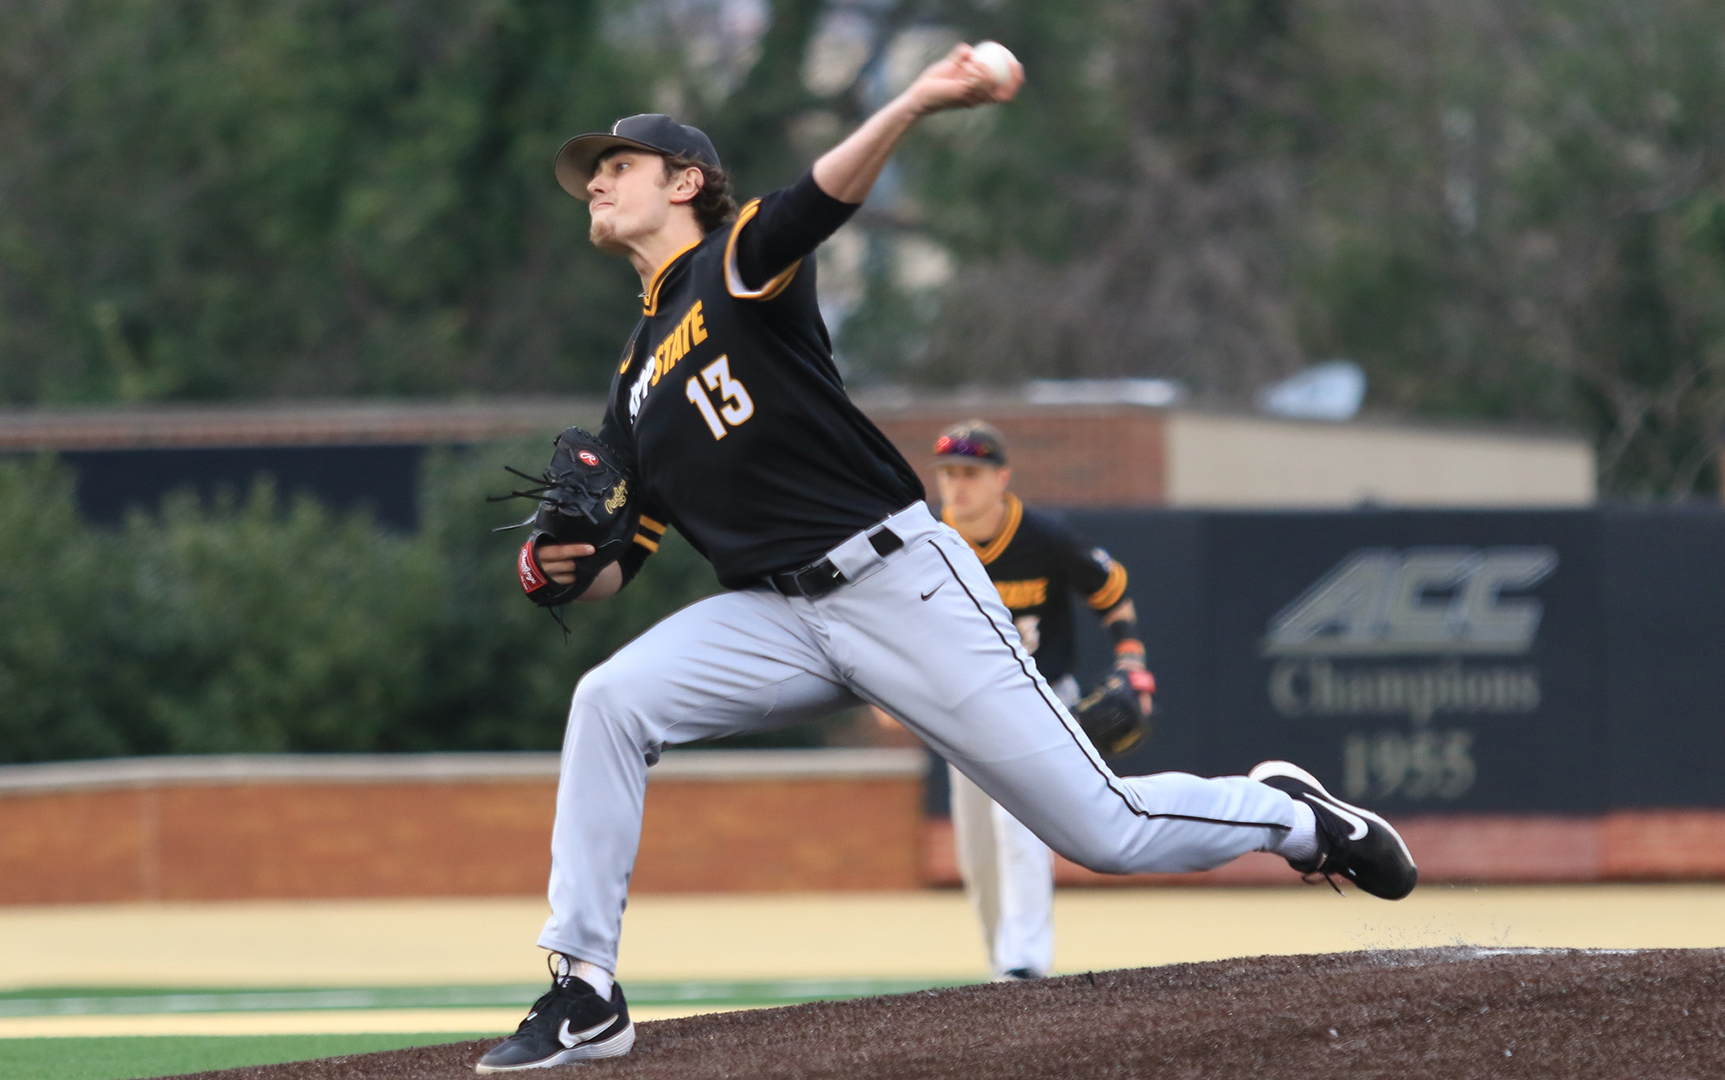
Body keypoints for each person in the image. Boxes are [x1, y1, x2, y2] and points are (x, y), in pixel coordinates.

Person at [476, 45, 1415, 1075]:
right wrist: (559, 566)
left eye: (618, 163)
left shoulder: (732, 266)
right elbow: (617, 562)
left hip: (897, 583)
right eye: (590, 173)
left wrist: (917, 101)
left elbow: (818, 199)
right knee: (610, 700)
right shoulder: (633, 382)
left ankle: (1289, 816)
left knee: (1107, 831)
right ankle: (584, 991)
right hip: (775, 618)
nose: (596, 181)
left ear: (685, 181)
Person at [930, 419, 1151, 982]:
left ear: (1002, 477)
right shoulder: (925, 544)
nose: (959, 485)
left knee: (1018, 825)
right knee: (977, 853)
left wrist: (1131, 659)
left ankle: (1024, 963)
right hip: (967, 710)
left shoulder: (1045, 536)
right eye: (950, 472)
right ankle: (999, 964)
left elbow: (1111, 590)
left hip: (1041, 697)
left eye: (972, 473)